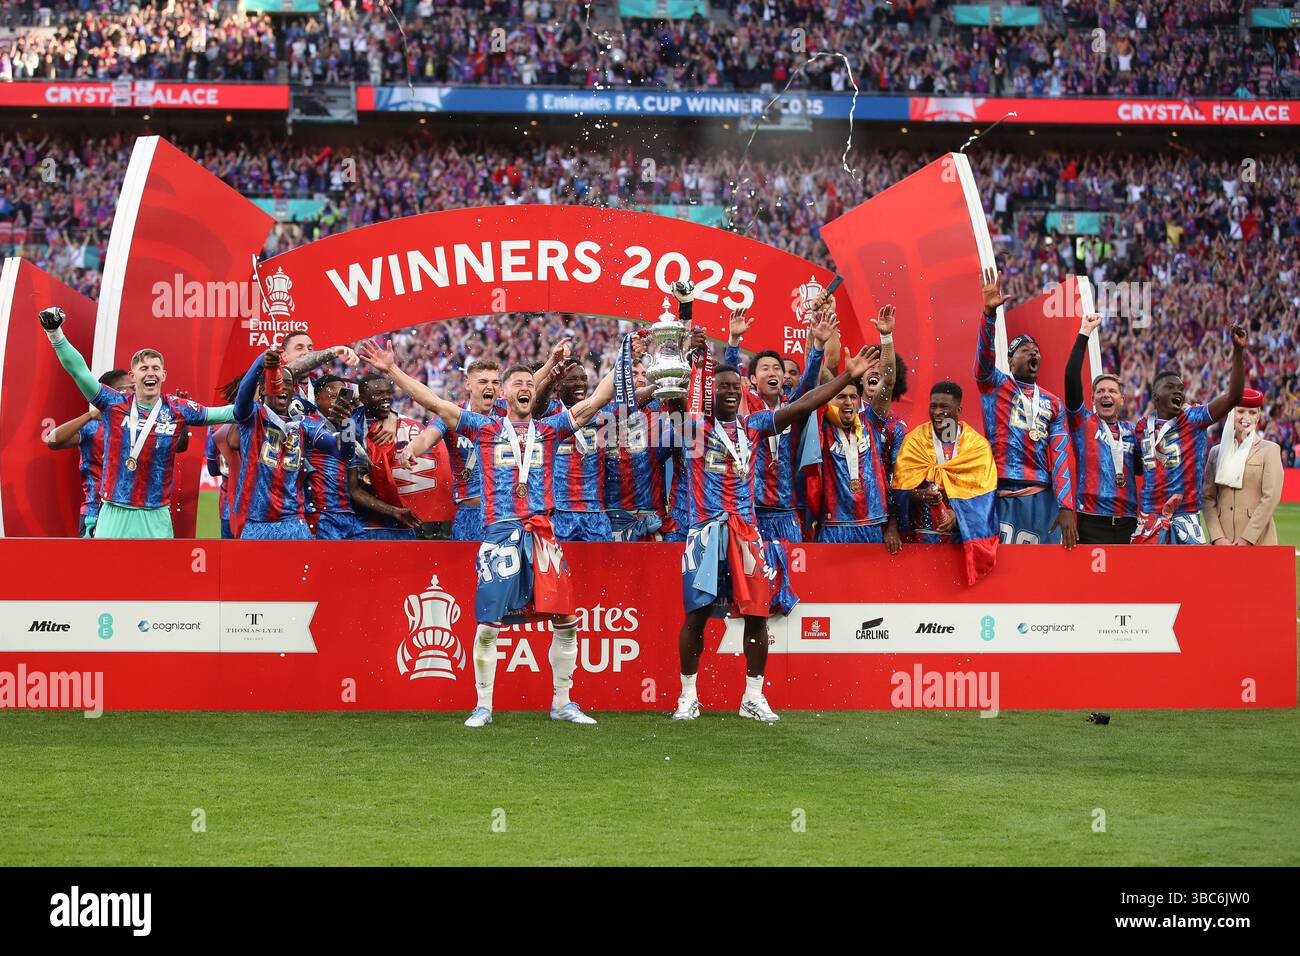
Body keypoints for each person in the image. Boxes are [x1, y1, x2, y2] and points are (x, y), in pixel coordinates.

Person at [357, 336, 633, 728]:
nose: (523, 387)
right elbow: (434, 404)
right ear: (504, 393)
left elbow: (596, 402)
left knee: (567, 619)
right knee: (489, 622)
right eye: (516, 383)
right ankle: (483, 705)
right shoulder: (484, 428)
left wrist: (624, 357)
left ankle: (562, 702)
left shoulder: (550, 429)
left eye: (527, 383)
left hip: (541, 534)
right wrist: (392, 371)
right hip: (500, 534)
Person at [672, 345, 879, 723]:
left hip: (747, 533)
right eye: (723, 387)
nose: (732, 392)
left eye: (736, 386)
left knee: (757, 615)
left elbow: (802, 405)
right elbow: (682, 398)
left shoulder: (754, 425)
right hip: (705, 531)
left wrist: (848, 376)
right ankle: (688, 696)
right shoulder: (695, 430)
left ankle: (753, 696)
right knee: (697, 616)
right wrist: (692, 346)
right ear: (709, 393)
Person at [39, 306, 237, 538]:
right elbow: (79, 372)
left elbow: (223, 413)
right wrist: (55, 334)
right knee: (106, 573)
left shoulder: (177, 408)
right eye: (143, 368)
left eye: (155, 368)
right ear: (133, 377)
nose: (150, 373)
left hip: (156, 514)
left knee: (158, 574)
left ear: (164, 375)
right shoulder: (114, 403)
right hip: (114, 510)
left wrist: (261, 406)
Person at [723, 301, 834, 610]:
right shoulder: (748, 409)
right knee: (755, 585)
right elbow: (729, 380)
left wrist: (819, 346)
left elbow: (810, 386)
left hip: (786, 513)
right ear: (754, 380)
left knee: (793, 585)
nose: (774, 373)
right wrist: (733, 343)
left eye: (778, 369)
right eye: (766, 369)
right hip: (754, 511)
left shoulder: (791, 408)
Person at [973, 267, 1077, 548]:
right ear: (1010, 360)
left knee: (1042, 575)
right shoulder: (996, 385)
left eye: (1037, 351)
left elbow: (1061, 454)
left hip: (1041, 494)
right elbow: (982, 362)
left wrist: (1066, 505)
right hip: (1001, 489)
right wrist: (989, 316)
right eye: (1024, 349)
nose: (1033, 353)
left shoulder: (1053, 403)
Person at [1133, 323, 1246, 544]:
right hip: (1149, 519)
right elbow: (1138, 467)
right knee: (1146, 578)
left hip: (1185, 517)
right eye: (1171, 387)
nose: (1179, 391)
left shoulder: (1193, 418)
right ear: (1155, 396)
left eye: (1181, 389)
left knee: (1188, 579)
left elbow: (1233, 397)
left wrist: (1238, 352)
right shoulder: (1141, 426)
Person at [230, 350, 354, 539]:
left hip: (294, 524)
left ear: (293, 391)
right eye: (276, 381)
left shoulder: (304, 424)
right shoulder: (253, 416)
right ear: (262, 389)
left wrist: (347, 424)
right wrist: (260, 362)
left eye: (287, 383)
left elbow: (342, 451)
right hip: (256, 523)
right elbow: (241, 400)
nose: (282, 386)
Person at [892, 382, 1000, 584]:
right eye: (933, 406)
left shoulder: (977, 447)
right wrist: (922, 495)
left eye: (945, 407)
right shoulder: (914, 441)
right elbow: (900, 490)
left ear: (958, 410)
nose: (938, 413)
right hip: (921, 540)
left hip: (962, 540)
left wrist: (957, 516)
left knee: (958, 601)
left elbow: (984, 500)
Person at [811, 307, 900, 550]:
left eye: (853, 397)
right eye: (841, 397)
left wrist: (886, 338)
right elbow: (819, 373)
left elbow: (888, 380)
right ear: (829, 400)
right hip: (833, 526)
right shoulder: (823, 425)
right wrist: (818, 334)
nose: (848, 402)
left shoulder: (869, 421)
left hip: (872, 525)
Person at [401, 358, 500, 542]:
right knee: (466, 570)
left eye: (495, 382)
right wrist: (411, 448)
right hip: (470, 513)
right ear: (468, 384)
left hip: (504, 513)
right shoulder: (453, 414)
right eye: (483, 382)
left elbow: (527, 389)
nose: (491, 387)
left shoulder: (506, 412)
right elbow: (426, 437)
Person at [1064, 312, 1141, 544]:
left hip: (1128, 520)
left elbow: (1142, 468)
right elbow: (1070, 376)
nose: (1106, 394)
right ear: (1093, 398)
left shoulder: (1133, 431)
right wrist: (1084, 332)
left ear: (1122, 400)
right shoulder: (1083, 422)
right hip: (1091, 519)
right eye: (1100, 391)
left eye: (1112, 391)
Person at [45, 368, 130, 538]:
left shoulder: (138, 424)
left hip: (131, 514)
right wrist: (89, 415)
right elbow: (52, 441)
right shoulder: (92, 427)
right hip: (95, 512)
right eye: (130, 388)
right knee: (96, 565)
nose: (134, 393)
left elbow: (179, 447)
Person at [1202, 389, 1283, 546]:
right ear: (1231, 414)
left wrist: (1247, 538)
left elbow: (1270, 498)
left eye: (1253, 413)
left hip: (1258, 542)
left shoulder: (1270, 450)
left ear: (1258, 417)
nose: (1247, 417)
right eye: (1241, 411)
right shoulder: (1216, 452)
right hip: (1222, 544)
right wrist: (1217, 537)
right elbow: (1207, 498)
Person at [348, 372, 424, 539]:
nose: (386, 398)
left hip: (404, 522)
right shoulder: (348, 427)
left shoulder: (406, 426)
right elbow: (353, 489)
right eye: (378, 394)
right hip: (364, 525)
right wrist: (394, 512)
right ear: (363, 398)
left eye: (389, 393)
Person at [302, 375, 365, 540]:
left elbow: (353, 484)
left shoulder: (349, 427)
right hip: (320, 515)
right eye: (331, 397)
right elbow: (344, 451)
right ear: (317, 398)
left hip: (348, 516)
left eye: (342, 398)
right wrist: (347, 423)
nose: (337, 403)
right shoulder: (308, 423)